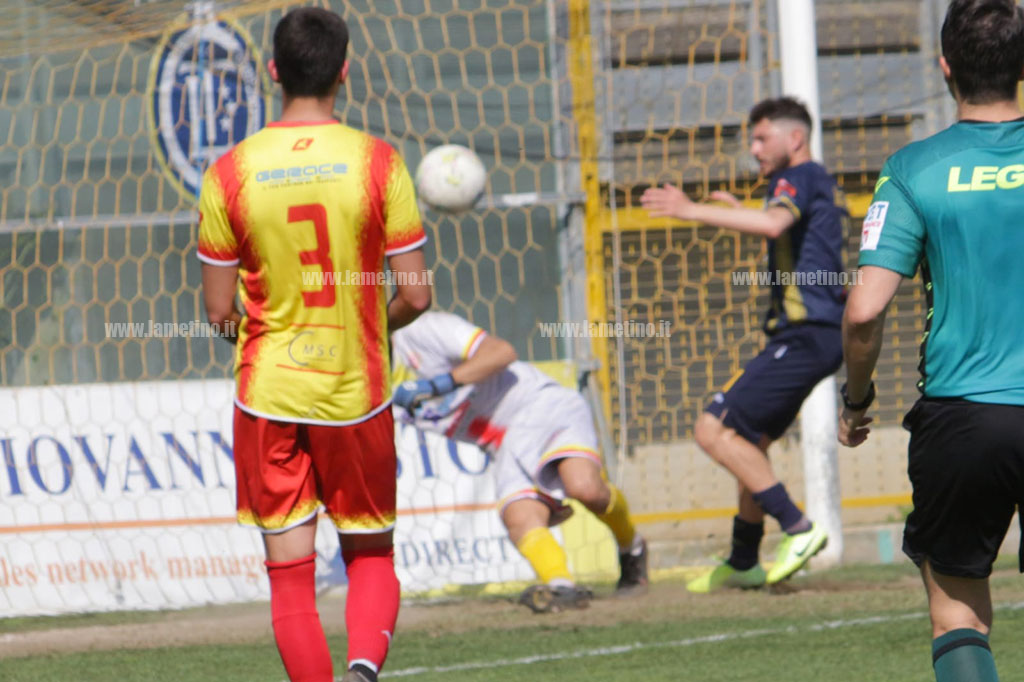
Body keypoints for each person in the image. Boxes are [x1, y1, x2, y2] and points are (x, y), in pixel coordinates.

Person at [198, 8, 431, 682]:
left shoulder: (230, 173)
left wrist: (273, 331)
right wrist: (361, 326)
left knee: (291, 579)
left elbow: (218, 311)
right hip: (353, 389)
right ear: (345, 71)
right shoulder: (378, 163)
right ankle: (362, 669)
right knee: (370, 556)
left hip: (269, 391)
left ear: (273, 71)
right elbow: (415, 296)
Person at [839, 2, 1024, 680]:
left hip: (965, 418)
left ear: (944, 66)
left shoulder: (915, 168)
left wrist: (857, 401)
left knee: (958, 615)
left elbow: (864, 312)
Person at [641, 97, 848, 592]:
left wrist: (689, 210)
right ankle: (742, 559)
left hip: (806, 334)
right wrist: (747, 210)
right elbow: (784, 225)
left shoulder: (796, 176)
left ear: (793, 139)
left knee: (713, 430)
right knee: (748, 443)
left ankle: (798, 528)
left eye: (761, 138)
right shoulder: (809, 181)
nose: (753, 150)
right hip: (816, 336)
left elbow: (777, 223)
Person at [390, 311, 649, 612]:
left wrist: (438, 385)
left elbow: (502, 353)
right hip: (504, 442)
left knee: (585, 489)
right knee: (518, 518)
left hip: (540, 404)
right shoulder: (366, 382)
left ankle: (633, 547)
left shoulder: (423, 330)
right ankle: (562, 588)